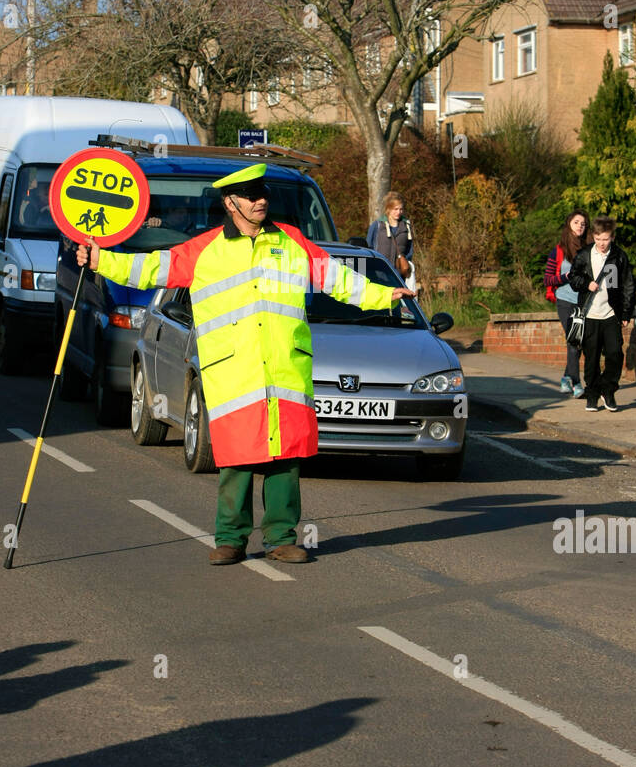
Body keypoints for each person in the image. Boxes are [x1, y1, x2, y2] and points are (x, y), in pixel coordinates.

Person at [78, 164, 415, 565]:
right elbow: (151, 268)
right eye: (251, 195)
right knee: (237, 460)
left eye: (263, 194)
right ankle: (230, 539)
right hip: (234, 376)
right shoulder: (204, 250)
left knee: (284, 461)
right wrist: (102, 261)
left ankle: (281, 538)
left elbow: (336, 278)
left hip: (284, 374)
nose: (260, 201)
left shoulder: (290, 242)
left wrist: (384, 295)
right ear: (229, 202)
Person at [569, 215, 635, 413]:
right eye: (598, 239)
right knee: (591, 357)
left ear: (612, 237)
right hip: (589, 314)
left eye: (605, 239)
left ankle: (609, 390)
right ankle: (592, 393)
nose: (602, 243)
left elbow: (628, 285)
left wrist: (626, 312)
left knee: (615, 353)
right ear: (593, 237)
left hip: (611, 314)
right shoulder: (584, 255)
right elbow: (573, 278)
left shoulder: (619, 256)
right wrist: (586, 283)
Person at [544, 209, 591, 398]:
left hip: (583, 301)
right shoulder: (559, 250)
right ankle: (577, 383)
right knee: (574, 340)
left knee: (577, 341)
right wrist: (565, 277)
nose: (580, 226)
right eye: (576, 222)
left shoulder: (590, 249)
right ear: (569, 225)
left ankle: (566, 378)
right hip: (565, 300)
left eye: (583, 223)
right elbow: (548, 280)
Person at [367, 192, 415, 291]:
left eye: (401, 209)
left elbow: (410, 249)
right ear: (388, 209)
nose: (399, 212)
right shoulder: (377, 226)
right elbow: (368, 247)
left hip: (399, 275)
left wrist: (406, 263)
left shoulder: (406, 226)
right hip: (380, 273)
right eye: (395, 209)